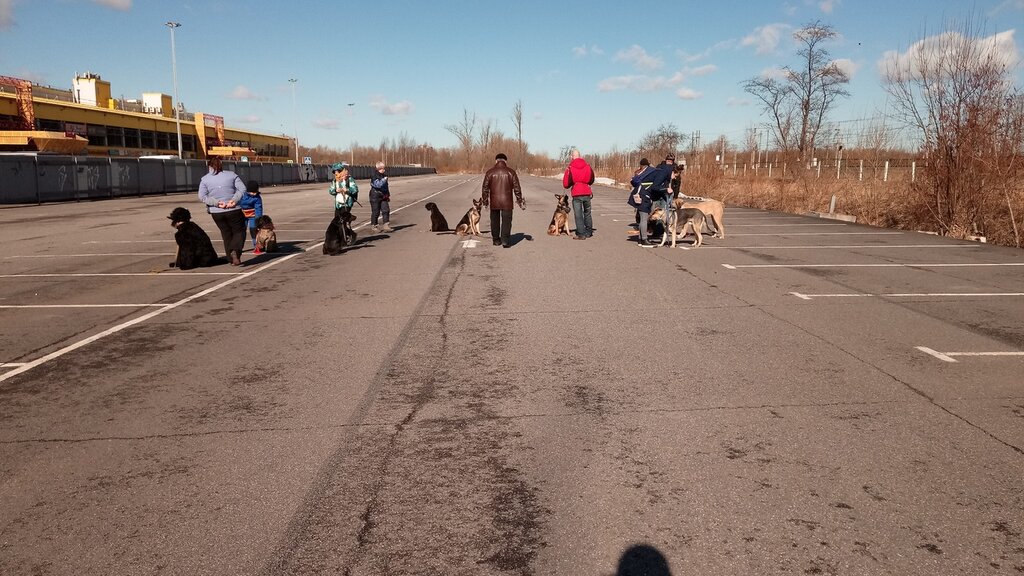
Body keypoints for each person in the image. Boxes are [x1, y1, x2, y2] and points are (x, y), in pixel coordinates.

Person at [198, 157, 247, 265]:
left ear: (209, 166)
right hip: (233, 209)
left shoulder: (205, 179)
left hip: (216, 212)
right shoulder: (231, 175)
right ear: (221, 165)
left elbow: (202, 196)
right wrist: (234, 200)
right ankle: (235, 250)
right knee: (239, 231)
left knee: (226, 233)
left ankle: (231, 258)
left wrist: (216, 203)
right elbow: (242, 189)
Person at [480, 153, 525, 248]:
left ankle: (496, 240)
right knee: (507, 221)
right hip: (507, 201)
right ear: (505, 161)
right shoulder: (511, 172)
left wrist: (485, 201)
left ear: (496, 161)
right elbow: (517, 188)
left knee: (494, 221)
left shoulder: (490, 172)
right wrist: (519, 200)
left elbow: (485, 188)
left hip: (494, 201)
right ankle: (505, 240)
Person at [562, 149, 595, 240]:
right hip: (587, 192)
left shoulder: (570, 168)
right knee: (587, 213)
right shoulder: (587, 166)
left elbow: (566, 184)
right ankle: (589, 231)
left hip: (577, 193)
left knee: (578, 214)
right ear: (580, 156)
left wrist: (572, 184)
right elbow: (592, 179)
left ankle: (581, 233)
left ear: (572, 156)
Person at [628, 158, 656, 247]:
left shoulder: (638, 173)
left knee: (641, 219)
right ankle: (644, 239)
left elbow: (633, 183)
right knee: (644, 219)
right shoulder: (649, 172)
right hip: (645, 197)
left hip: (638, 197)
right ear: (647, 164)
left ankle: (640, 238)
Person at [648, 153, 676, 240]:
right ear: (665, 160)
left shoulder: (673, 168)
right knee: (654, 213)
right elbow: (655, 183)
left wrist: (674, 193)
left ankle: (661, 231)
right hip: (657, 193)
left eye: (671, 161)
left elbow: (676, 183)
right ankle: (654, 230)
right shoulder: (660, 167)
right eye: (668, 160)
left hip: (666, 194)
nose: (669, 162)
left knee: (664, 213)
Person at [239, 179, 264, 252]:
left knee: (253, 229)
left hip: (253, 216)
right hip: (242, 216)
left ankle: (256, 245)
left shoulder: (257, 198)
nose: (254, 194)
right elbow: (237, 203)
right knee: (241, 231)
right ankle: (239, 247)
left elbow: (258, 208)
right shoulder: (242, 195)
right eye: (252, 192)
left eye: (255, 192)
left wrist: (258, 219)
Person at [369, 161, 392, 233]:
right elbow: (378, 185)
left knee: (386, 210)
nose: (383, 170)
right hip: (375, 195)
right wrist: (384, 180)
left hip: (383, 195)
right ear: (378, 168)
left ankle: (386, 225)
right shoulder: (374, 176)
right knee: (376, 211)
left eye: (384, 168)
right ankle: (374, 225)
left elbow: (385, 187)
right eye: (382, 169)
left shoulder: (383, 175)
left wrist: (387, 195)